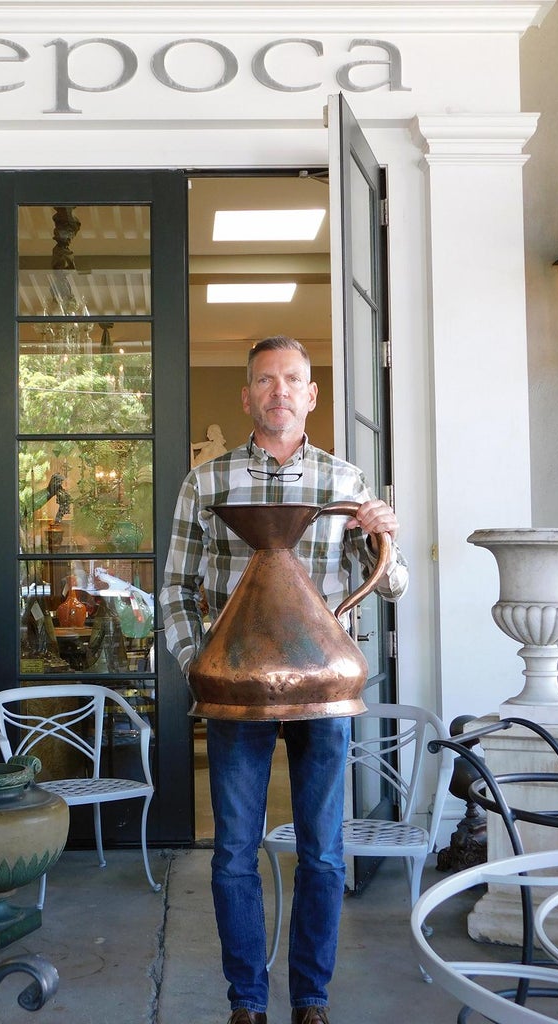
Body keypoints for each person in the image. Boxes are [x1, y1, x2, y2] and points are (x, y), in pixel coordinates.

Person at [159, 336, 408, 1024]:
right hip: (235, 698)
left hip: (323, 696)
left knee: (324, 855)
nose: (278, 391)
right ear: (246, 397)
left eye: (291, 379)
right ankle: (245, 1000)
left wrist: (380, 533)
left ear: (310, 394)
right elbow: (176, 589)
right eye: (264, 381)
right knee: (233, 853)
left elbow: (397, 586)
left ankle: (311, 997)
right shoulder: (206, 483)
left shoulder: (346, 481)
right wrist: (198, 665)